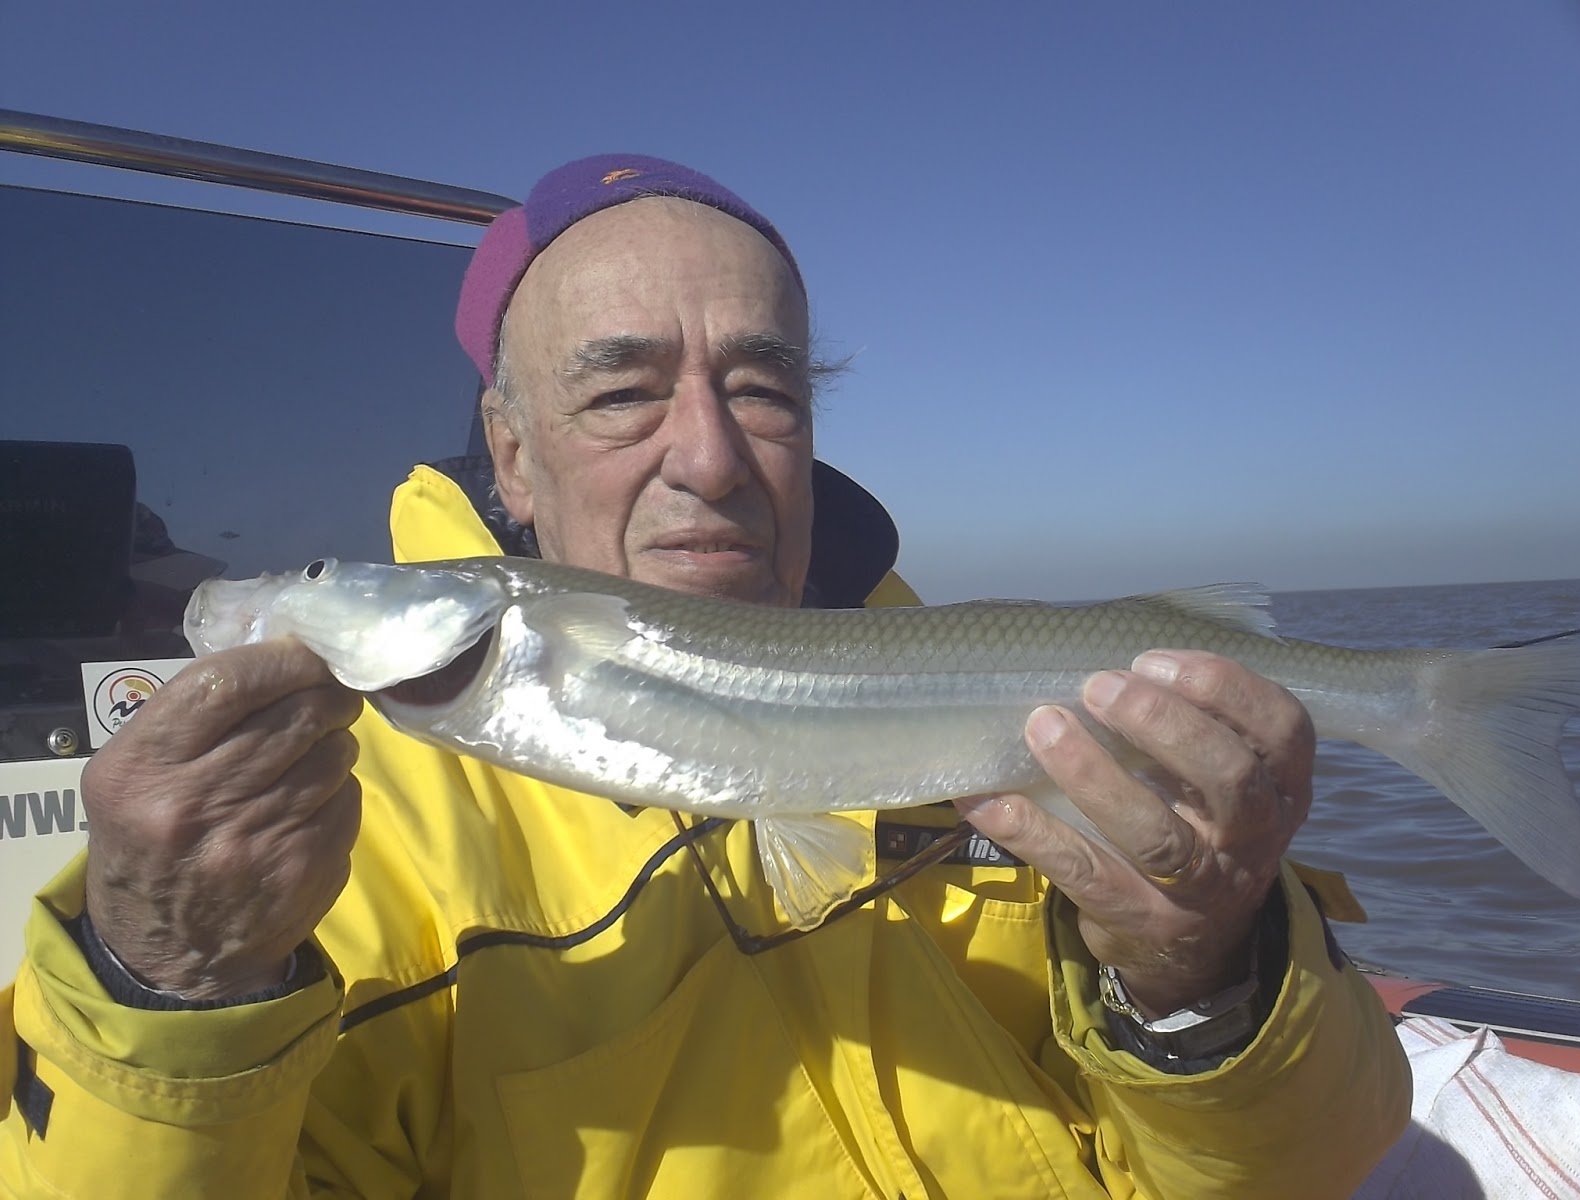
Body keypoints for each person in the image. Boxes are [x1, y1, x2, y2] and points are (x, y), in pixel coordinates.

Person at [1, 156, 1409, 1197]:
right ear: (509, 453)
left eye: (761, 388)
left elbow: (1312, 1170)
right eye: (622, 392)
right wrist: (172, 992)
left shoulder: (1055, 743)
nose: (712, 457)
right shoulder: (314, 855)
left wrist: (1205, 977)